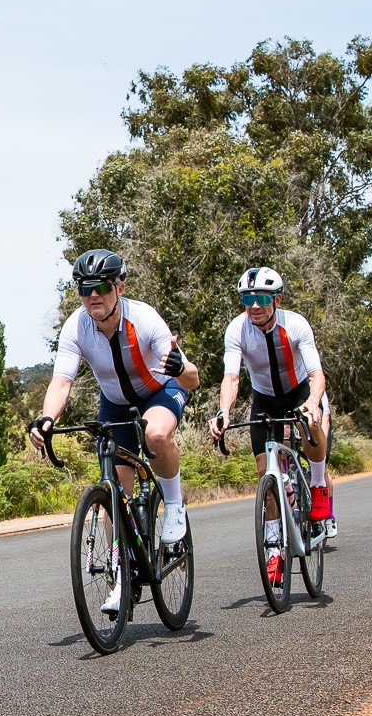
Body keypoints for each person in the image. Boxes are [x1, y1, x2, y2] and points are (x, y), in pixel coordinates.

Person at [27, 249, 200, 615]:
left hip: (159, 391)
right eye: (86, 288)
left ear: (119, 286)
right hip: (116, 404)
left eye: (102, 287)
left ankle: (173, 505)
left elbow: (193, 378)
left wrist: (179, 368)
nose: (94, 296)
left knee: (155, 435)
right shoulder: (76, 326)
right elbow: (62, 381)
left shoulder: (145, 319)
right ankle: (122, 579)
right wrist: (46, 418)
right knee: (114, 496)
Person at [207, 266, 331, 586]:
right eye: (248, 299)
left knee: (313, 429)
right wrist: (224, 411)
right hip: (265, 400)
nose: (255, 306)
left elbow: (317, 375)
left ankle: (317, 486)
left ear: (277, 298)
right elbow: (232, 377)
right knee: (266, 472)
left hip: (301, 392)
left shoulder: (296, 324)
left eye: (262, 298)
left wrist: (313, 402)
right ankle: (274, 548)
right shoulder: (237, 330)